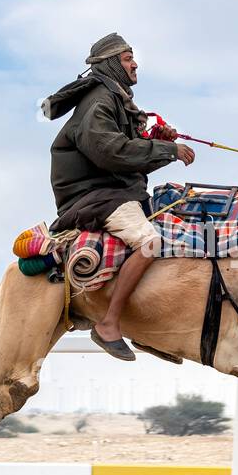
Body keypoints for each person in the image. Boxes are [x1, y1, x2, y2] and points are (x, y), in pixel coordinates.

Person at [42, 33, 196, 360]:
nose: (135, 63)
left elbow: (129, 150)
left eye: (132, 57)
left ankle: (144, 330)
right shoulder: (98, 102)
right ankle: (109, 323)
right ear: (112, 64)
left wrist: (156, 138)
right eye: (127, 59)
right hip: (95, 197)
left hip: (114, 190)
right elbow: (112, 153)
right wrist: (167, 149)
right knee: (150, 242)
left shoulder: (114, 99)